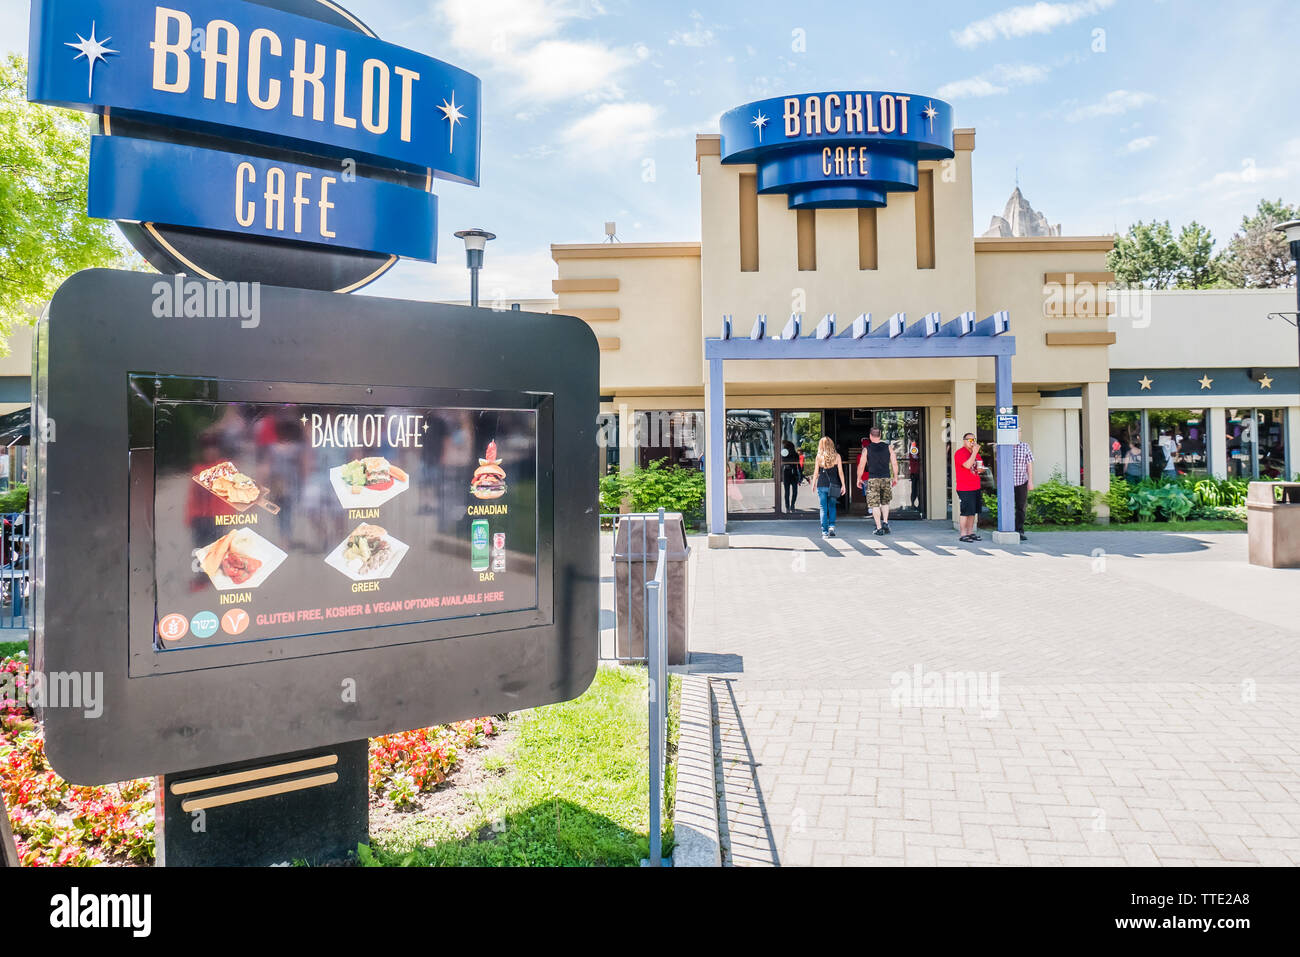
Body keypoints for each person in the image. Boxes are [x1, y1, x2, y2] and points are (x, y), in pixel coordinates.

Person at [856, 427, 898, 536]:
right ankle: (885, 523)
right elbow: (894, 463)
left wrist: (859, 478)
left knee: (875, 505)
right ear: (880, 436)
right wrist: (895, 477)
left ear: (870, 436)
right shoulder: (888, 447)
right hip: (886, 478)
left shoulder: (867, 449)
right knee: (885, 502)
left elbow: (861, 465)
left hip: (873, 479)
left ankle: (879, 528)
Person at [811, 436, 845, 539]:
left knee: (823, 509)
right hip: (834, 485)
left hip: (821, 485)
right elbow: (840, 472)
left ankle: (824, 533)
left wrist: (813, 484)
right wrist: (843, 484)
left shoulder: (819, 457)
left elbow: (816, 472)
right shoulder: (837, 456)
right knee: (832, 507)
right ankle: (831, 527)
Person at [953, 432, 984, 542]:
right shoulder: (960, 453)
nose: (972, 442)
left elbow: (979, 468)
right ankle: (963, 534)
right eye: (969, 440)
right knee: (965, 511)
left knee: (973, 511)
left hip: (976, 485)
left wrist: (981, 469)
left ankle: (970, 532)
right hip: (964, 487)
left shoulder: (976, 454)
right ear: (964, 441)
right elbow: (967, 465)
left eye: (973, 440)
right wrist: (974, 452)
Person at [1012, 440, 1034, 541]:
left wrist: (1030, 481)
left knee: (1021, 507)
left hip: (1021, 481)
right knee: (1007, 507)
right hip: (1007, 484)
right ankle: (1008, 529)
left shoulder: (1025, 446)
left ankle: (1019, 531)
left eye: (1019, 431)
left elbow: (1029, 465)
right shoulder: (1005, 446)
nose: (1017, 433)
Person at [780, 440, 802, 512]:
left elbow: (798, 465)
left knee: (789, 491)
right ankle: (790, 506)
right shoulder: (785, 454)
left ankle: (790, 506)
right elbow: (798, 465)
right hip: (790, 473)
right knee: (791, 491)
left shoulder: (793, 454)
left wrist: (800, 475)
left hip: (789, 473)